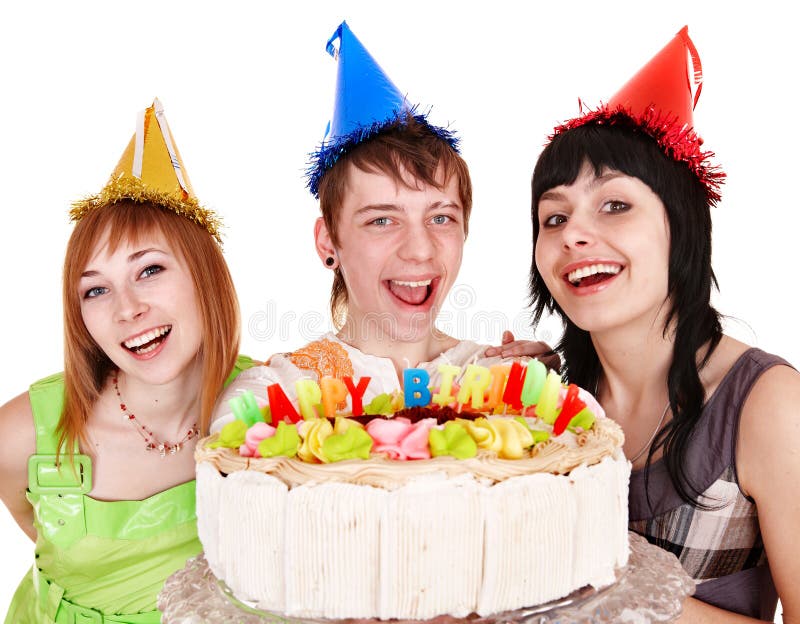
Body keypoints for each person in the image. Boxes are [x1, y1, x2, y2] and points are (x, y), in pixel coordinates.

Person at [528, 27, 799, 622]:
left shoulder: (768, 405)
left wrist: (625, 591)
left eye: (615, 206)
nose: (573, 234)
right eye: (553, 217)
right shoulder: (546, 406)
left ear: (682, 229)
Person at [212, 21, 551, 430]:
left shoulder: (501, 383)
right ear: (328, 243)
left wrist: (536, 388)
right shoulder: (269, 399)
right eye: (382, 220)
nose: (420, 249)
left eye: (440, 217)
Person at [0, 99, 252, 623]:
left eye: (149, 270)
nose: (128, 310)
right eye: (95, 291)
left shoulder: (276, 406)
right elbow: (34, 528)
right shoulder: (24, 432)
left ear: (205, 274)